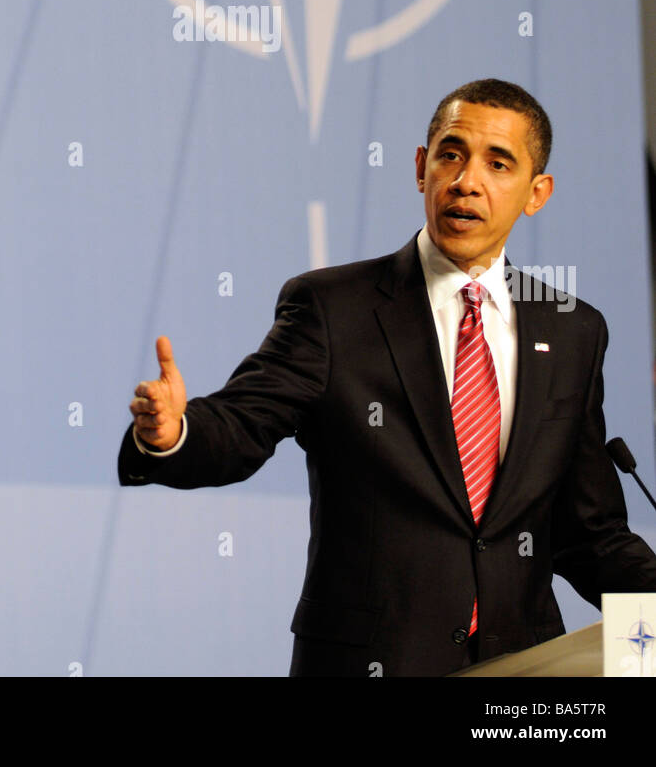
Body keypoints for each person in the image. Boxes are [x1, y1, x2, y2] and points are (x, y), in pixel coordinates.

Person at [117, 79, 656, 676]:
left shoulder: (575, 331)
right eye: (451, 154)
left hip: (522, 669)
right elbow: (245, 424)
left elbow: (589, 532)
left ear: (537, 193)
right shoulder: (332, 307)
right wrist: (175, 433)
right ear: (422, 169)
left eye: (498, 163)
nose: (466, 180)